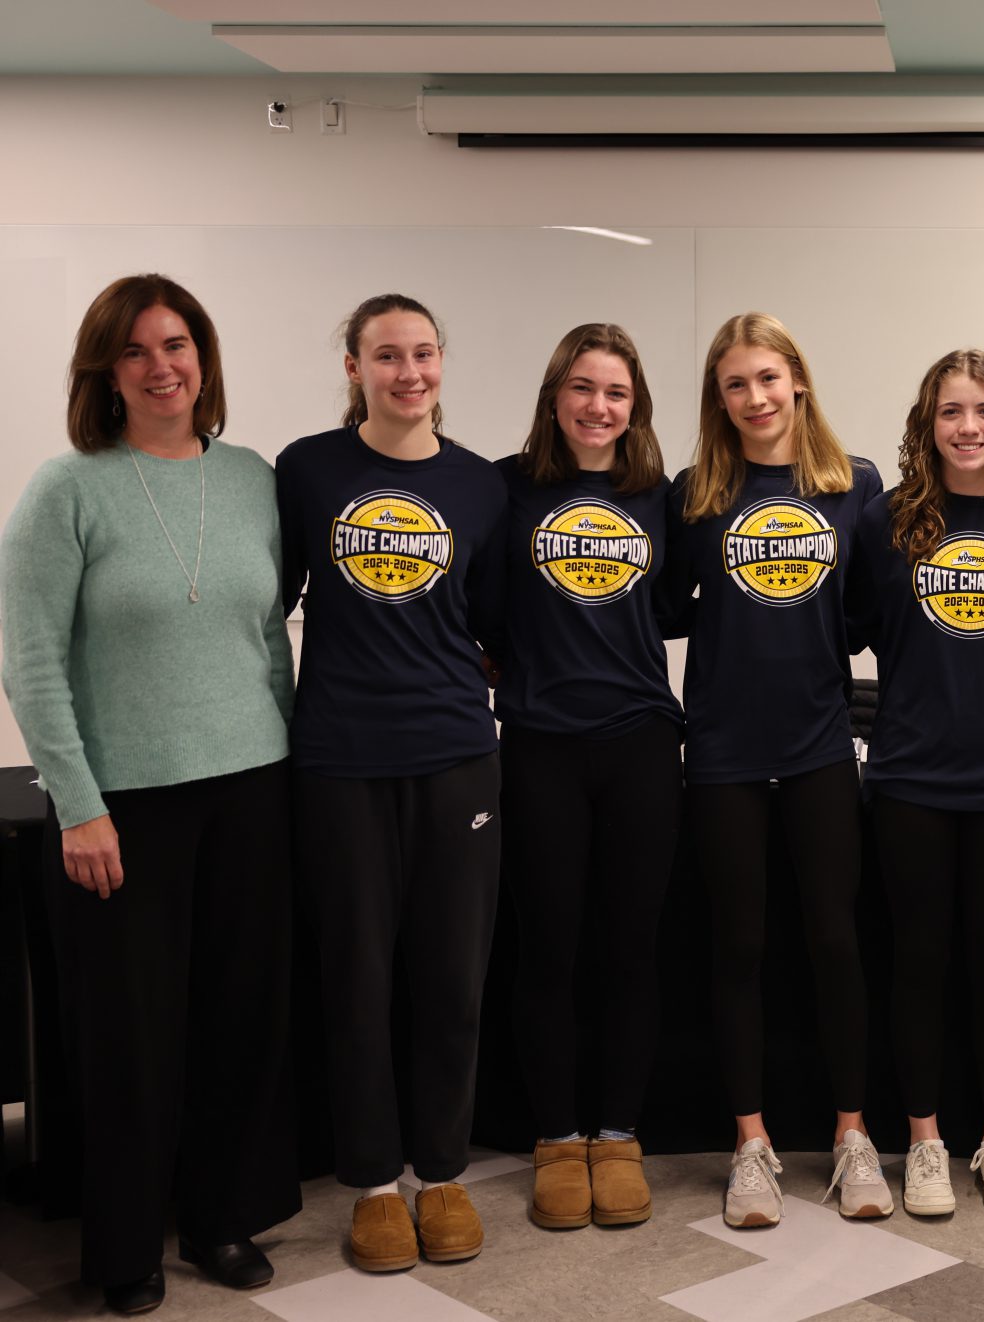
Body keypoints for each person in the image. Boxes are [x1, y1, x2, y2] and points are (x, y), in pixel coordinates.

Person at [1, 274, 297, 1315]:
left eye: (178, 344)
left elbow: (268, 641)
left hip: (253, 790)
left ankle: (221, 1216)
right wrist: (76, 803)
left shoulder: (255, 478)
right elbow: (31, 659)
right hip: (122, 808)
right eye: (136, 351)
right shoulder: (66, 486)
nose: (163, 365)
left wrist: (291, 763)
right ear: (105, 370)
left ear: (203, 358)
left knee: (239, 1019)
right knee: (130, 1036)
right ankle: (126, 1244)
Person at [277, 293, 508, 1272]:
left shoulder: (479, 485)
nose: (407, 373)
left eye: (422, 354)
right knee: (359, 974)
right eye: (386, 355)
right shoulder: (305, 470)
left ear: (443, 364)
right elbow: (268, 595)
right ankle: (374, 1180)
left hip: (458, 753)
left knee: (451, 976)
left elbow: (493, 625)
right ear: (352, 365)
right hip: (339, 759)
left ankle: (442, 1169)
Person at [673, 312, 886, 1228]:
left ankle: (851, 1135)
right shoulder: (696, 490)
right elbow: (654, 608)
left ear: (797, 379)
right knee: (741, 948)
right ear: (719, 399)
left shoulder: (854, 485)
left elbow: (869, 614)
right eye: (735, 384)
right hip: (721, 750)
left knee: (836, 943)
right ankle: (751, 1145)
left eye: (768, 377)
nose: (754, 398)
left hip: (817, 749)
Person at [851, 348, 984, 1218]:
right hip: (908, 776)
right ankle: (927, 1142)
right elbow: (854, 630)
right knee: (919, 962)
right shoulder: (884, 520)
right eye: (951, 412)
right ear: (926, 424)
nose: (968, 427)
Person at [494, 324, 684, 1232]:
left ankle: (617, 1136)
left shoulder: (659, 496)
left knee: (630, 949)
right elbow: (468, 601)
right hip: (539, 746)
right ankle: (558, 1140)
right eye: (582, 387)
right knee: (550, 950)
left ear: (634, 405)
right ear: (554, 395)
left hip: (642, 741)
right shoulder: (507, 487)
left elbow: (686, 604)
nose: (597, 406)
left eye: (615, 391)